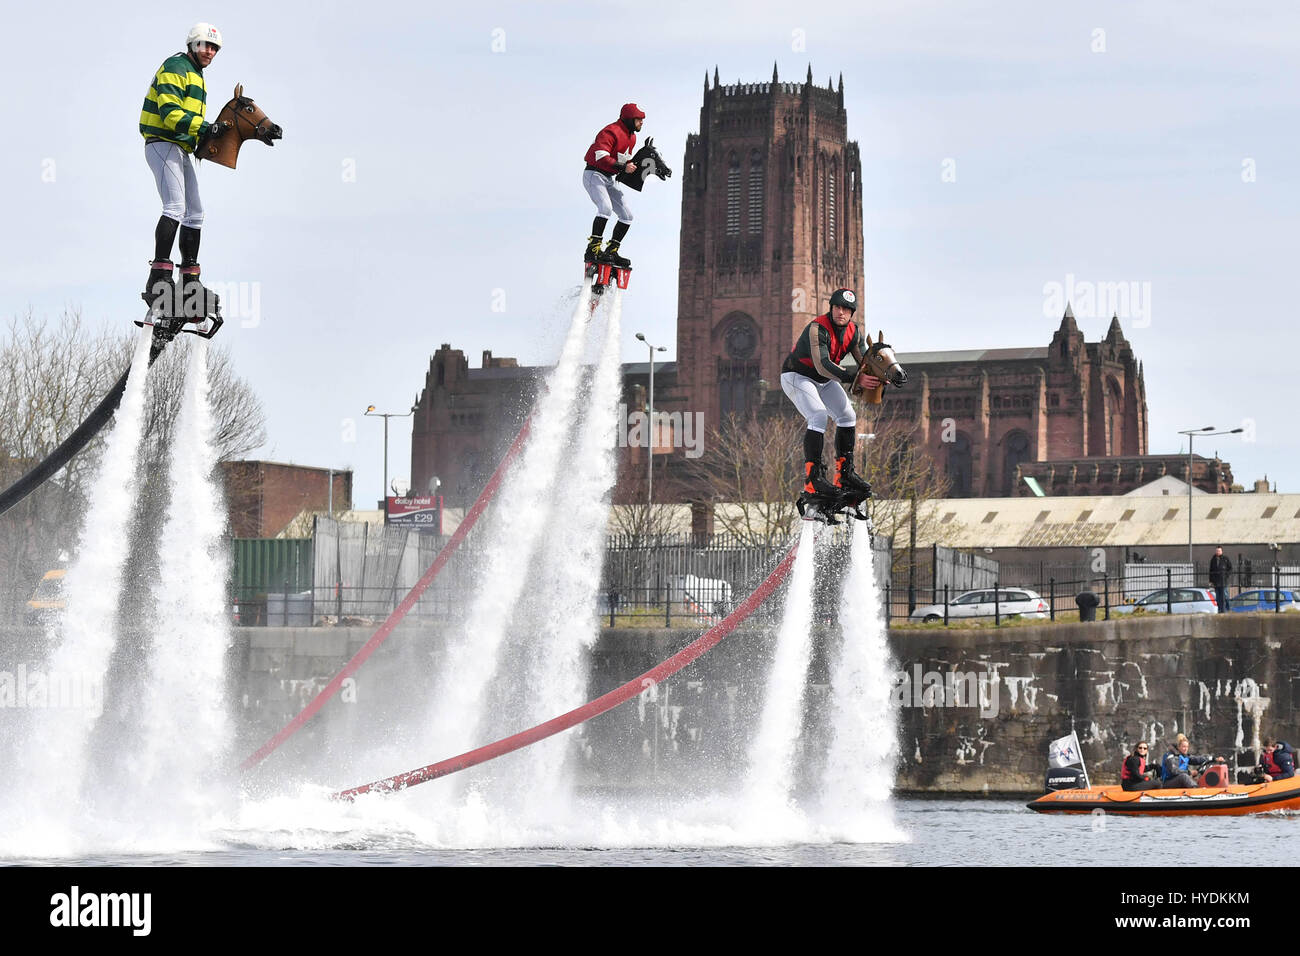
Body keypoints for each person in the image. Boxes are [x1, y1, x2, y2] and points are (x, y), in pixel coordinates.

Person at [139, 23, 228, 318]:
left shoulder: (197, 75)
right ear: (192, 45)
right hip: (162, 142)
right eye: (205, 45)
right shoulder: (177, 66)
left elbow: (189, 123)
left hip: (178, 147)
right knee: (175, 206)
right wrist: (205, 128)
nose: (210, 52)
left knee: (196, 212)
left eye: (214, 48)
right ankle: (160, 277)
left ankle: (190, 282)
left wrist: (211, 136)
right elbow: (170, 112)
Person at [780, 289, 882, 500]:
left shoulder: (854, 332)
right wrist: (856, 379)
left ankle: (844, 475)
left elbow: (865, 363)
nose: (841, 312)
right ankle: (812, 480)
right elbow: (823, 365)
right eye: (837, 307)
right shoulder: (817, 328)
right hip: (797, 376)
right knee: (818, 415)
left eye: (845, 309)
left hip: (822, 381)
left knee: (848, 416)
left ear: (851, 313)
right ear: (831, 308)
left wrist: (884, 374)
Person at [583, 104, 645, 269]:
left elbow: (625, 162)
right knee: (605, 208)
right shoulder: (610, 131)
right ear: (630, 119)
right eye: (639, 120)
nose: (641, 123)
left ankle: (612, 250)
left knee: (627, 215)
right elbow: (601, 156)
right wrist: (624, 167)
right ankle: (593, 249)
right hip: (594, 174)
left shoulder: (632, 137)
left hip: (609, 178)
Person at [1208, 546, 1232, 613]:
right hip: (1216, 582)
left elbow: (1230, 568)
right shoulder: (1213, 559)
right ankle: (1220, 609)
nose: (1218, 552)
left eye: (1219, 551)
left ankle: (1227, 608)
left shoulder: (1225, 559)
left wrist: (1226, 576)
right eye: (1217, 551)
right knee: (1218, 597)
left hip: (1223, 581)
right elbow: (1211, 570)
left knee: (1225, 595)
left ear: (1221, 551)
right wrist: (1211, 580)